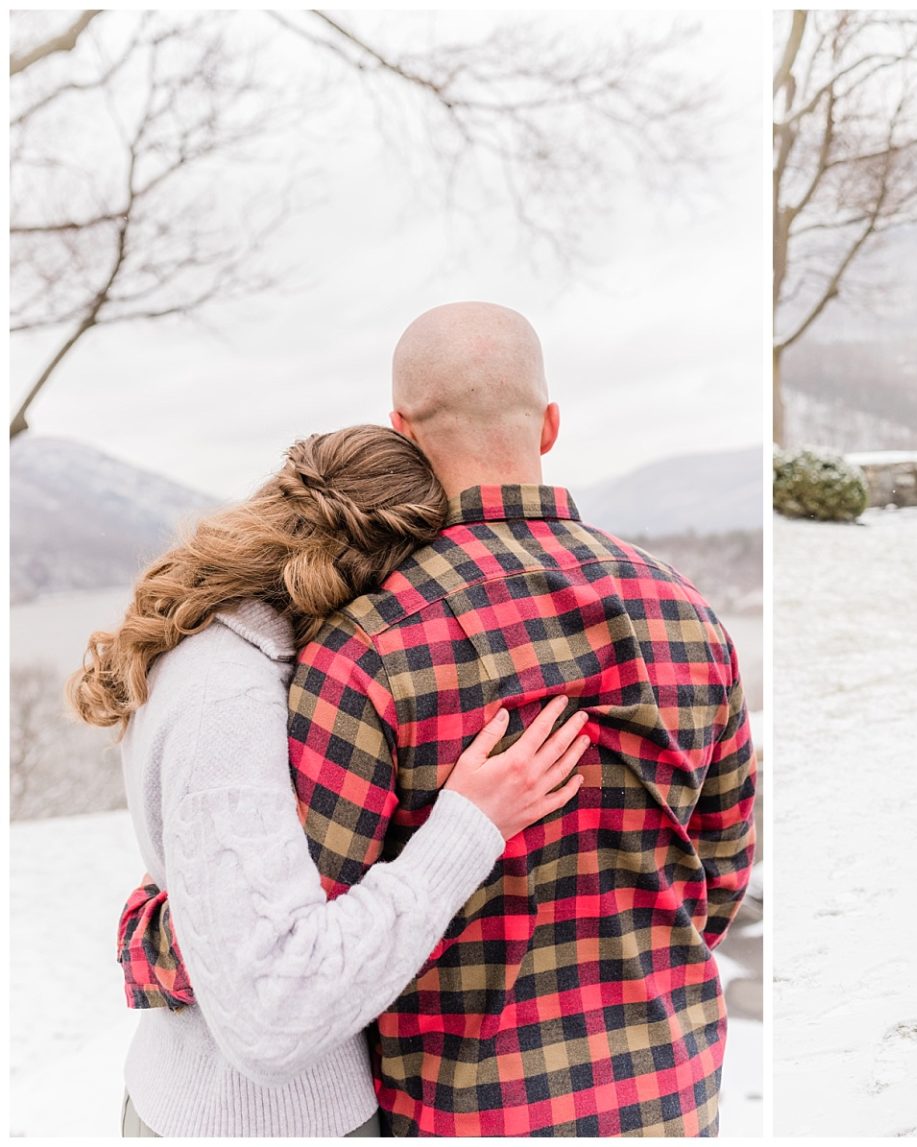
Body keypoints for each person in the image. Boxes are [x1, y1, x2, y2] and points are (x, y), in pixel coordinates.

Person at [118, 302, 758, 1135]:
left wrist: (150, 938)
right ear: (551, 424)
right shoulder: (689, 615)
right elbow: (721, 871)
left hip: (462, 1112)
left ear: (403, 429)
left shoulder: (362, 651)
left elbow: (295, 928)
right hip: (669, 1098)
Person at [71, 425, 589, 1137]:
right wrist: (469, 825)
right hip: (263, 1123)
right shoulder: (230, 695)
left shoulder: (217, 644)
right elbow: (274, 1011)